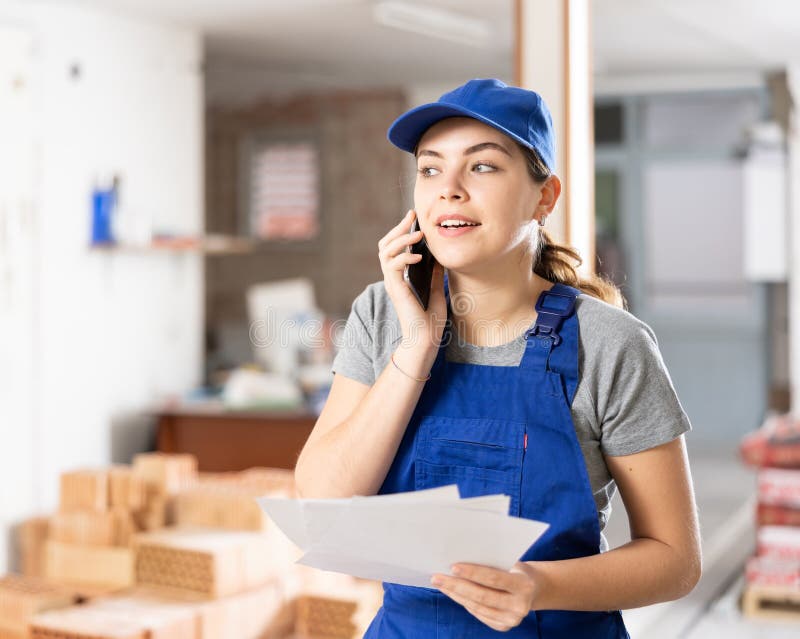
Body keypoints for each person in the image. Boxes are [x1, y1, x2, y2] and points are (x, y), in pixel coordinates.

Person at [295, 78, 701, 638]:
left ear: (545, 196)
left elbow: (676, 561)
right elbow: (324, 499)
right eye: (431, 169)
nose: (450, 190)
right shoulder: (381, 314)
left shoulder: (610, 343)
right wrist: (417, 345)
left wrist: (540, 587)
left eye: (482, 167)